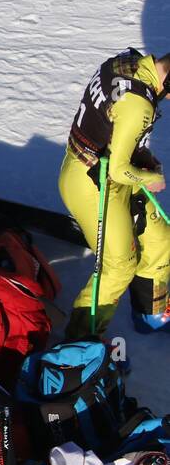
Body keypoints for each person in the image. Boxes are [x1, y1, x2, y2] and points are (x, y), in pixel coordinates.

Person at [60, 48, 170, 338]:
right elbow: (120, 169)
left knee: (160, 238)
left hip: (107, 170)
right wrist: (151, 178)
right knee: (119, 266)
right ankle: (81, 339)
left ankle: (151, 313)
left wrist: (142, 158)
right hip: (91, 184)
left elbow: (111, 126)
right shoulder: (138, 105)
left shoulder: (128, 63)